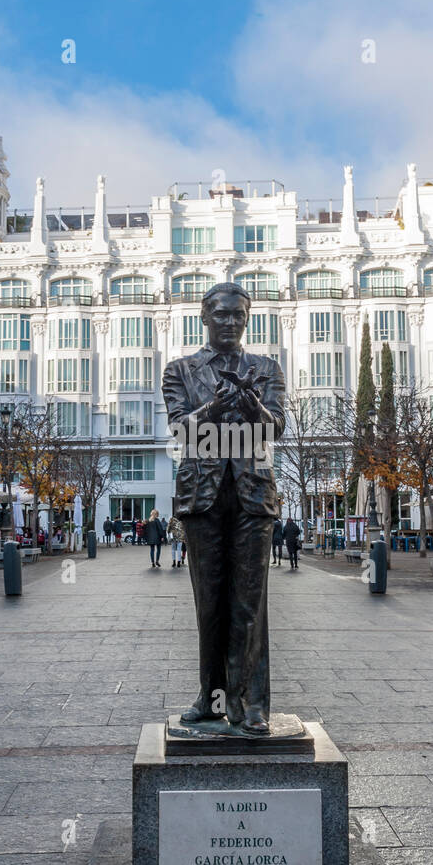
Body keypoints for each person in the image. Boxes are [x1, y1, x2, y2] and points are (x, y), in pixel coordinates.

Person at [162, 281, 285, 735]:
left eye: (238, 315)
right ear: (205, 317)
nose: (230, 322)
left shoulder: (266, 368)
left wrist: (253, 406)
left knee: (248, 604)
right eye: (222, 314)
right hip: (202, 496)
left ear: (246, 319)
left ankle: (251, 703)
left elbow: (277, 429)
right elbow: (180, 430)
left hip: (253, 495)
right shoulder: (181, 370)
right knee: (209, 604)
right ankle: (211, 698)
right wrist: (216, 406)